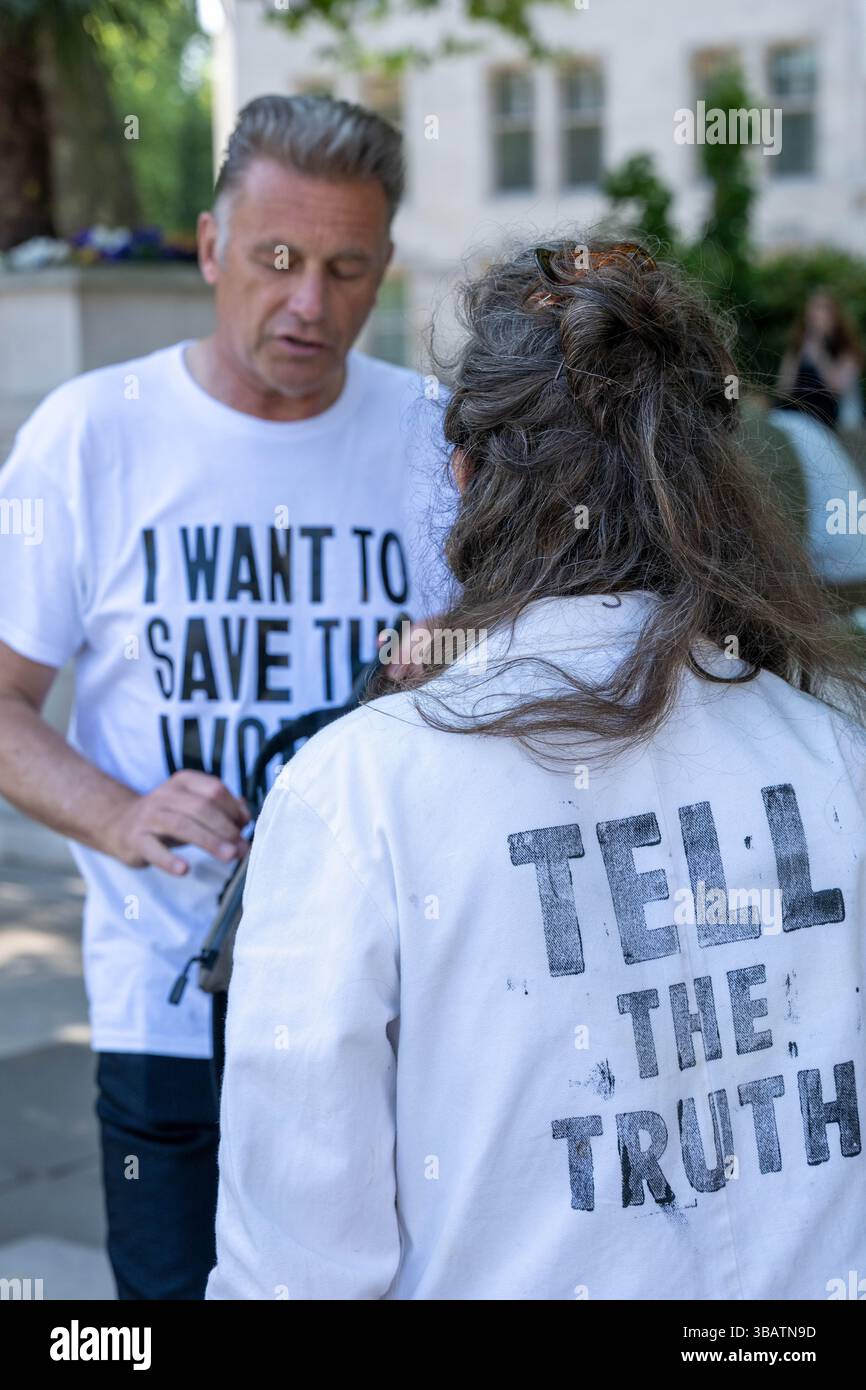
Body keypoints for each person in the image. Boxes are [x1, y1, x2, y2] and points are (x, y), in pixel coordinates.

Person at [206, 239, 866, 1301]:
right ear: (711, 477)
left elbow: (293, 1267)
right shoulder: (835, 750)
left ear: (467, 473)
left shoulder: (359, 792)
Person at [0, 94, 448, 1300]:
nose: (309, 303)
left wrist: (454, 660)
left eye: (347, 268)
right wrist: (113, 813)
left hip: (401, 1003)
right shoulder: (92, 434)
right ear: (210, 248)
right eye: (278, 260)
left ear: (383, 270)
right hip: (167, 1005)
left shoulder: (438, 440)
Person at [776, 290, 863, 431]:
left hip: (822, 416)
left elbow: (838, 387)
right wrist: (799, 353)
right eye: (812, 310)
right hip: (792, 413)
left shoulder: (846, 349)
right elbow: (783, 387)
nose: (815, 316)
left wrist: (819, 353)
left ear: (835, 316)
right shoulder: (799, 346)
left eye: (822, 309)